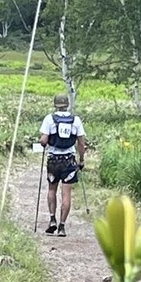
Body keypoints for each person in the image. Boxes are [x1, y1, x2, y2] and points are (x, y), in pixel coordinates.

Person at [39, 92, 85, 237]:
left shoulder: (49, 119)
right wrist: (81, 159)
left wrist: (42, 142)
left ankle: (52, 218)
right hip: (69, 161)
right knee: (66, 194)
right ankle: (62, 226)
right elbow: (81, 142)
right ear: (67, 105)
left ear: (55, 105)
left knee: (52, 190)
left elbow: (44, 141)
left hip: (53, 160)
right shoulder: (75, 120)